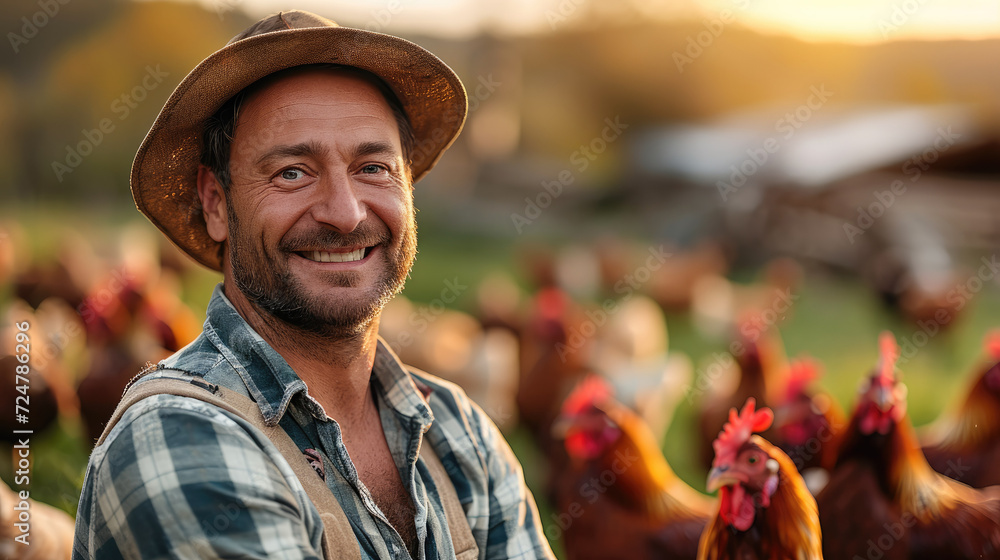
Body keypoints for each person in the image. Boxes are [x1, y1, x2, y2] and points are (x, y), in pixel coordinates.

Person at [72, 10, 555, 560]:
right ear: (216, 204)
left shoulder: (461, 435)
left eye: (373, 167)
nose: (345, 214)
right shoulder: (179, 437)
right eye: (292, 173)